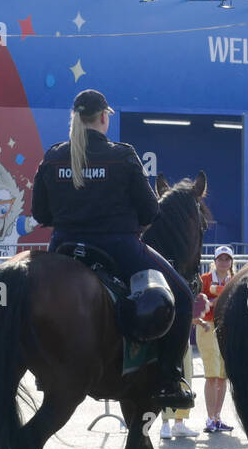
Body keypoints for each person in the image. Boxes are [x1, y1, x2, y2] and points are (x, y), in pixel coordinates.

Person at [31, 88, 195, 409]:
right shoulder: (122, 155)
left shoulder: (53, 157)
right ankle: (168, 378)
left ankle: (42, 367)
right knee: (184, 299)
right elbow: (151, 212)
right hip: (119, 248)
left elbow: (40, 214)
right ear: (104, 117)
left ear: (76, 119)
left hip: (62, 248)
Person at [196, 245, 235, 433]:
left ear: (231, 262)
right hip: (206, 327)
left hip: (226, 327)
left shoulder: (234, 281)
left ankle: (218, 418)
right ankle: (210, 418)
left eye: (227, 259)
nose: (224, 262)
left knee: (222, 377)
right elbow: (196, 311)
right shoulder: (204, 280)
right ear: (215, 261)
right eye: (221, 259)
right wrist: (214, 301)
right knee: (212, 375)